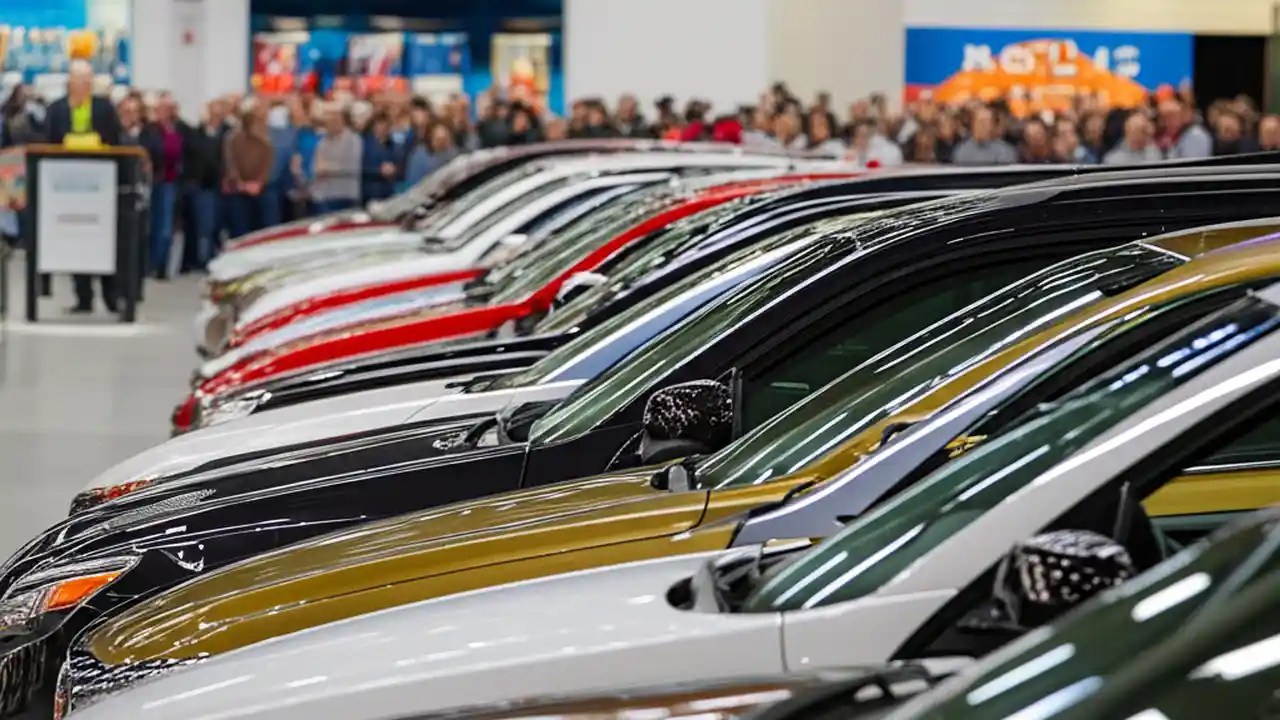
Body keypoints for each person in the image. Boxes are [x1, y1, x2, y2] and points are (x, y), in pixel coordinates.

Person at [46, 60, 122, 313]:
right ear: (69, 82)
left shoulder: (103, 108)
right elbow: (49, 142)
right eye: (79, 79)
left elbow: (115, 140)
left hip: (99, 185)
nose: (83, 84)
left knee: (104, 241)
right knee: (75, 241)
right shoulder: (56, 109)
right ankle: (83, 297)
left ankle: (111, 296)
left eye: (87, 79)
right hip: (66, 186)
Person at [180, 98, 229, 272]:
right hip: (200, 184)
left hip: (221, 185)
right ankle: (200, 259)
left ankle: (213, 257)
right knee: (202, 225)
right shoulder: (196, 134)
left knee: (216, 225)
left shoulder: (228, 133)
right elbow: (190, 156)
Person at [144, 94, 184, 279]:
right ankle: (150, 264)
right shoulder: (150, 129)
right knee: (152, 224)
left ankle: (162, 266)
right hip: (154, 180)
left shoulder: (180, 129)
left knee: (167, 227)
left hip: (171, 181)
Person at [223, 107, 274, 237]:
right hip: (238, 189)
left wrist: (259, 183)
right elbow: (230, 163)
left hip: (260, 188)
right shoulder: (233, 139)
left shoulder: (265, 141)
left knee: (264, 226)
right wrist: (240, 183)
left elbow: (268, 163)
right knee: (239, 227)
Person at [311, 105, 362, 213]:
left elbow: (352, 166)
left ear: (343, 121)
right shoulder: (322, 143)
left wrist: (328, 169)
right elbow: (316, 167)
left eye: (334, 120)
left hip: (345, 195)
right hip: (323, 195)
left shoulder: (353, 140)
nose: (331, 123)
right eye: (328, 121)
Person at [951, 106, 1017, 165]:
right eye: (979, 121)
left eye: (986, 122)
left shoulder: (1005, 151)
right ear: (972, 124)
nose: (982, 126)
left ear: (993, 125)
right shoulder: (961, 150)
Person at [361, 112, 397, 204]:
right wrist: (379, 171)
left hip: (389, 194)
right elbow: (360, 168)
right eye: (380, 124)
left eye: (386, 125)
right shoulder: (364, 144)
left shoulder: (393, 145)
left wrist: (394, 169)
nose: (383, 128)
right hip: (370, 194)